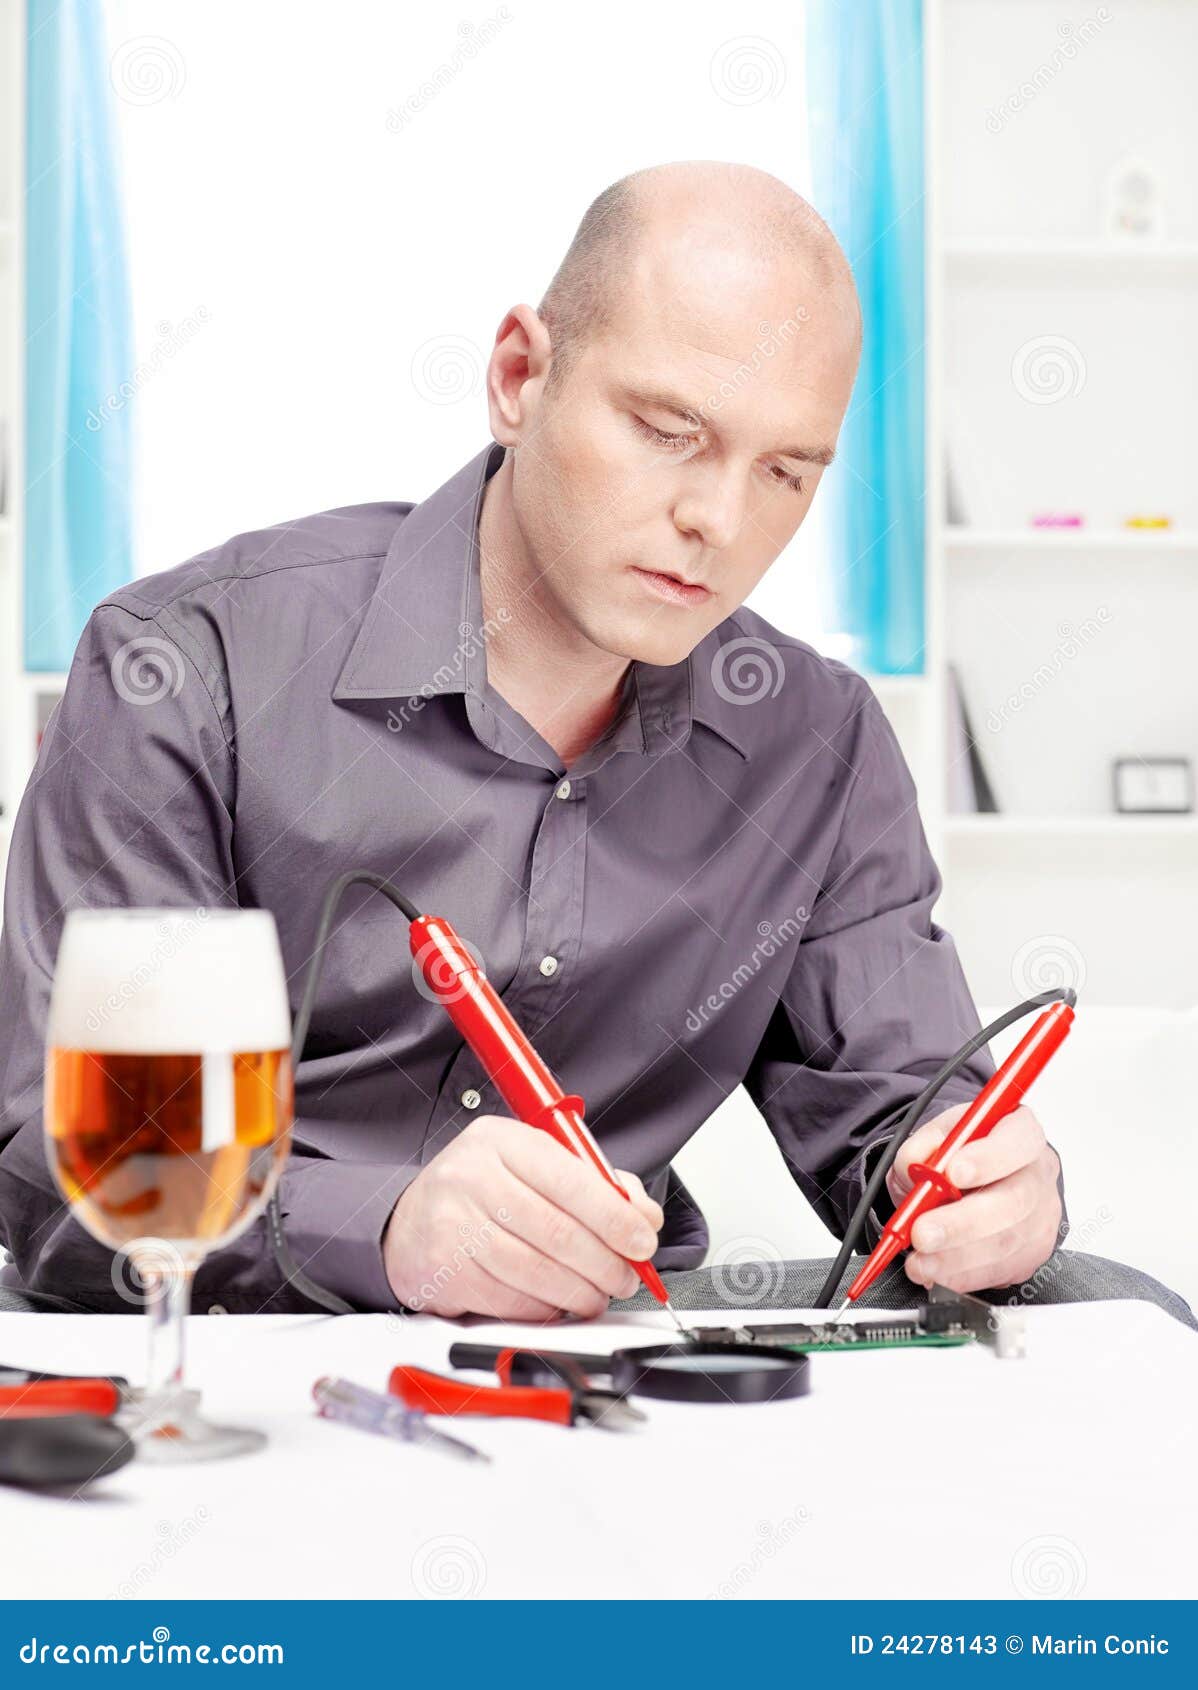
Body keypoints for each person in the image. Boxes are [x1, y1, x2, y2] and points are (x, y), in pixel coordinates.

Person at [0, 161, 1069, 1318]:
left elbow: (903, 1119)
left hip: (600, 1361)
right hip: (216, 1350)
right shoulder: (189, 665)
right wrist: (387, 1231)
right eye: (669, 431)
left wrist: (980, 1187)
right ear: (518, 377)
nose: (718, 519)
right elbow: (56, 1174)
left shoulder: (817, 742)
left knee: (1101, 1298)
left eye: (784, 471)